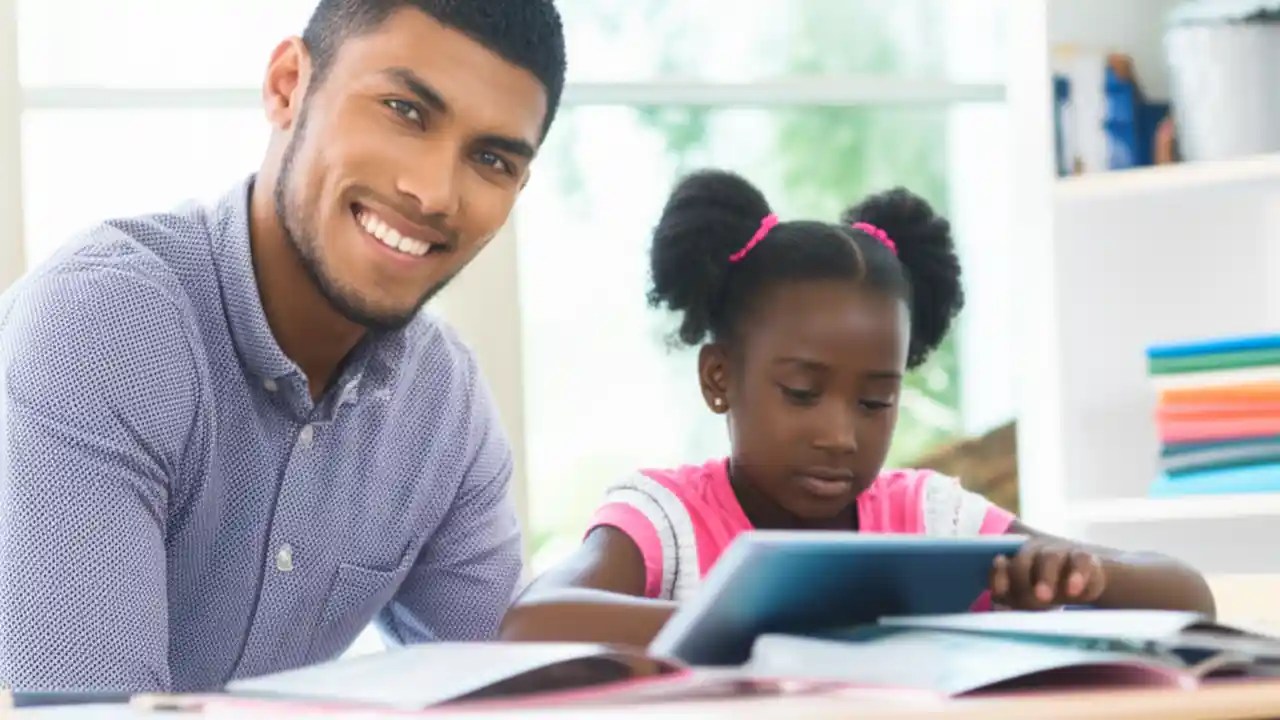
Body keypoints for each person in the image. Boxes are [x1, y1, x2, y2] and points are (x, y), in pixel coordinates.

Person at [0, 0, 565, 692]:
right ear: (288, 85)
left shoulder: (441, 405)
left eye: (491, 159)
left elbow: (506, 692)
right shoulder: (107, 327)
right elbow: (85, 714)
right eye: (404, 111)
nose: (434, 193)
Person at [501, 170, 1216, 647]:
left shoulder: (932, 520)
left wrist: (1084, 573)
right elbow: (532, 623)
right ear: (720, 378)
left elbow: (1187, 598)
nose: (841, 435)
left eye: (876, 400)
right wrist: (760, 621)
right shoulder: (666, 520)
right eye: (802, 394)